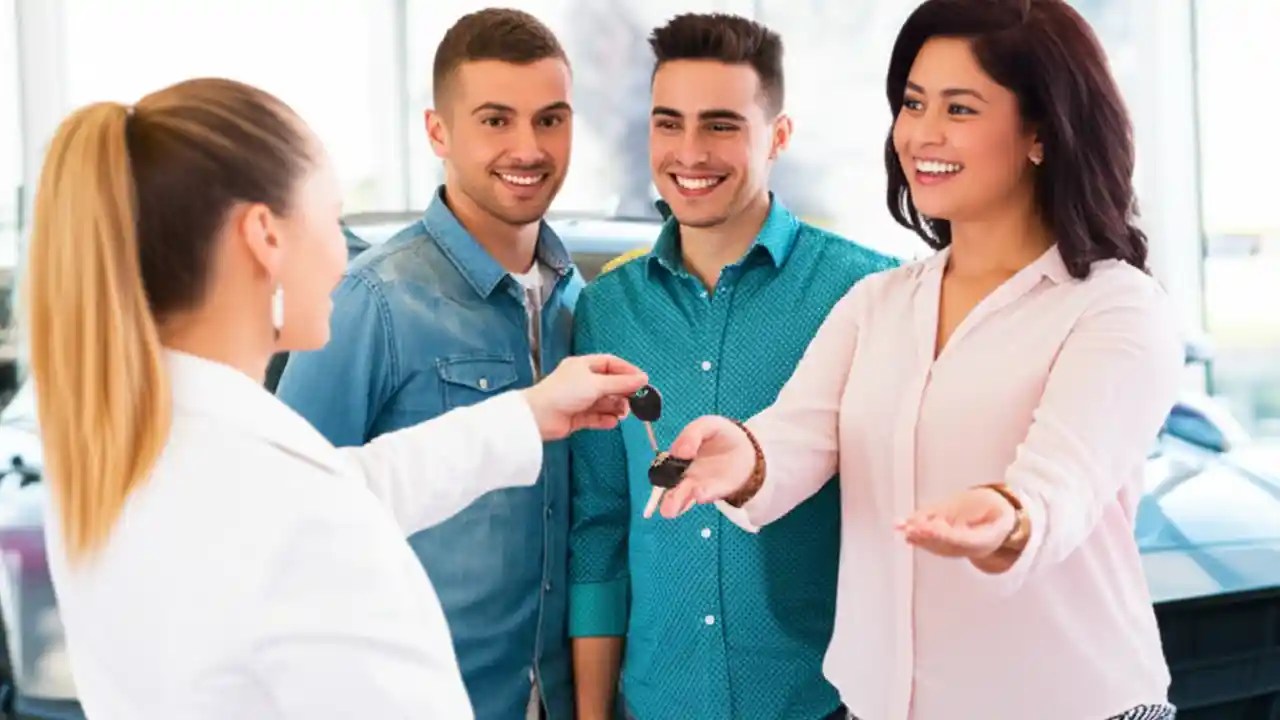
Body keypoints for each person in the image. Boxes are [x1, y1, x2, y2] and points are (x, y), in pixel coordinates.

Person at [24, 76, 647, 720]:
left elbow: (348, 488)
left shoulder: (127, 452)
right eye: (331, 216)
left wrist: (525, 415)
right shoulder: (299, 511)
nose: (343, 254)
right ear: (265, 236)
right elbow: (319, 515)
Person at [655, 2, 1183, 719]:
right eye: (912, 103)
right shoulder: (879, 302)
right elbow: (800, 435)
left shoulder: (1115, 308)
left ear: (1039, 131)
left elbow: (1064, 483)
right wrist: (744, 457)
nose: (921, 134)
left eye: (960, 108)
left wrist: (1006, 516)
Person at [568, 13, 899, 720]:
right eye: (668, 123)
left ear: (777, 136)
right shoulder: (606, 312)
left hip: (823, 706)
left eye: (721, 125)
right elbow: (598, 530)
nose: (690, 152)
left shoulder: (867, 293)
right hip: (655, 704)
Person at [274, 8, 578, 720]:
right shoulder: (372, 301)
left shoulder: (579, 305)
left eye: (550, 119)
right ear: (437, 131)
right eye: (495, 120)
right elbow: (284, 522)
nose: (528, 147)